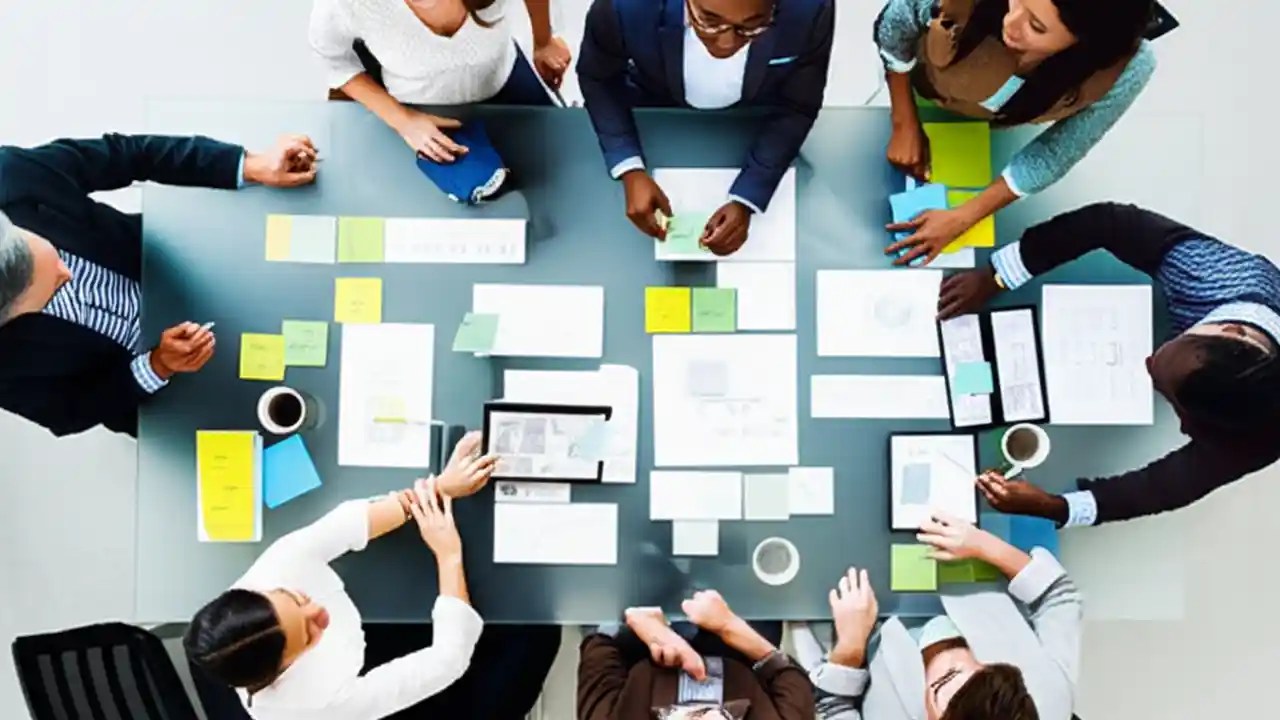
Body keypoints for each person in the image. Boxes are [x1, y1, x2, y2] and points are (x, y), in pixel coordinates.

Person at [938, 203, 1280, 528]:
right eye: (1161, 357)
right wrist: (998, 275)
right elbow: (1107, 223)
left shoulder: (1264, 433)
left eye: (1169, 396)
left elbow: (1172, 486)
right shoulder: (1208, 273)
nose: (1146, 364)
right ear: (1231, 329)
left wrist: (1054, 507)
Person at [185, 432, 561, 719]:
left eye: (297, 598)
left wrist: (439, 488)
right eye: (308, 633)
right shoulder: (314, 706)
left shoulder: (274, 570)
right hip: (378, 704)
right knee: (536, 635)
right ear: (282, 672)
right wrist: (449, 555)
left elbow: (348, 523)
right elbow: (447, 660)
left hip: (365, 644)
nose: (320, 613)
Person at [0, 133, 317, 438]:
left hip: (194, 270)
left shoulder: (11, 177)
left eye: (54, 255)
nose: (68, 274)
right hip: (169, 393)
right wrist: (157, 366)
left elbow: (131, 154)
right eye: (54, 287)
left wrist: (249, 165)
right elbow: (68, 412)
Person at [876, 0, 1157, 266]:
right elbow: (896, 25)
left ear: (1086, 44)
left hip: (996, 124)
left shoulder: (1128, 68)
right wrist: (903, 122)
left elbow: (1055, 153)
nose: (1011, 22)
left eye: (1036, 26)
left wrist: (963, 217)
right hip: (922, 81)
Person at [577, 0, 834, 256]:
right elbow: (598, 77)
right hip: (657, 112)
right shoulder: (623, 7)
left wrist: (749, 196)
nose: (726, 44)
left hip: (754, 124)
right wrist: (629, 166)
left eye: (752, 27)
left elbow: (797, 105)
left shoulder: (811, 9)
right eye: (709, 22)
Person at [799, 510, 1081, 720]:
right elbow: (1058, 596)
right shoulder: (1048, 702)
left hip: (860, 623)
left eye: (940, 684)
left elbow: (830, 706)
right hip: (959, 567)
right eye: (978, 670)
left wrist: (850, 648)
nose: (951, 661)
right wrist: (982, 544)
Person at [309, 0, 572, 163]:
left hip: (506, 82)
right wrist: (404, 121)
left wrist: (544, 40)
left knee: (564, 167)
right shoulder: (344, 5)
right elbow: (333, 60)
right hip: (417, 109)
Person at [578, 590, 813, 719]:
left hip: (641, 644)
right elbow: (786, 675)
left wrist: (642, 625)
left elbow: (599, 648)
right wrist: (729, 626)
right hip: (741, 648)